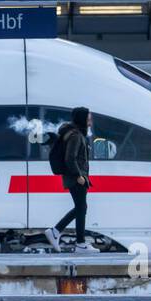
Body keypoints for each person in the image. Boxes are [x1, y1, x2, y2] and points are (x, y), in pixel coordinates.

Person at [45, 107, 97, 253]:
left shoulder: (76, 133)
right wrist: (78, 175)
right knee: (81, 208)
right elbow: (70, 158)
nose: (91, 120)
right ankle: (77, 242)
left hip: (76, 177)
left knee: (81, 208)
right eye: (88, 117)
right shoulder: (75, 135)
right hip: (76, 178)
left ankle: (58, 232)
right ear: (82, 118)